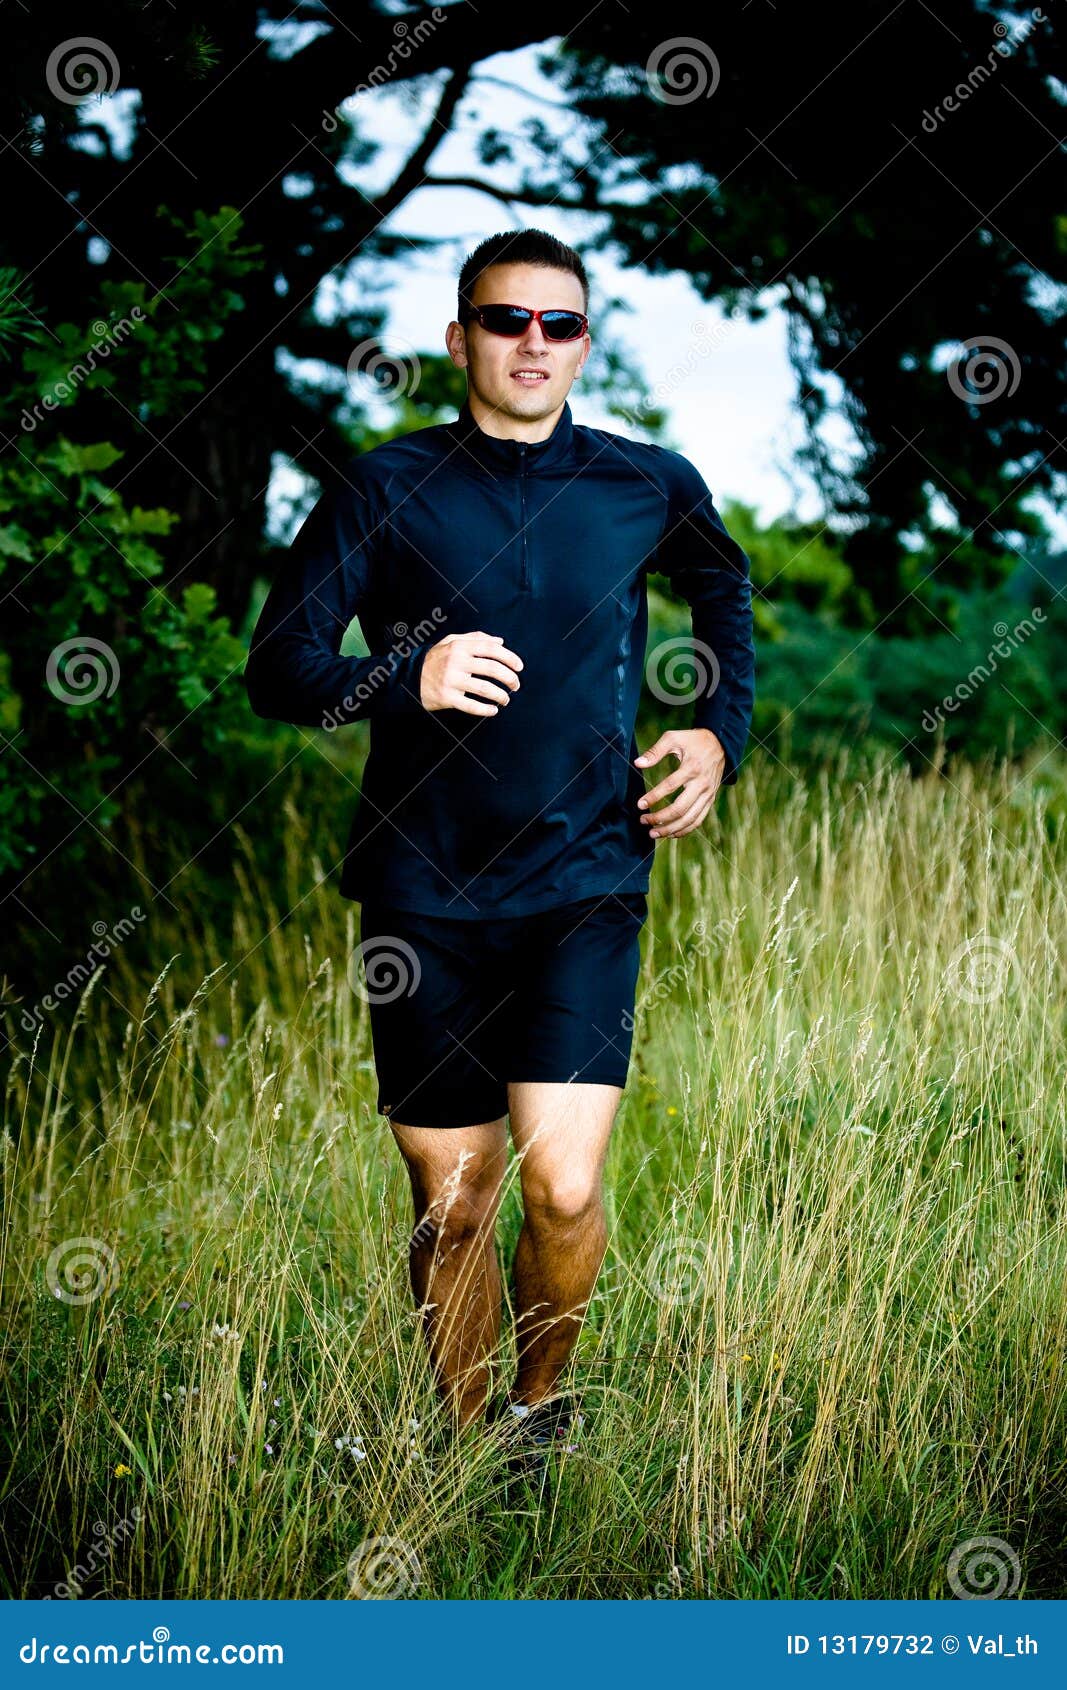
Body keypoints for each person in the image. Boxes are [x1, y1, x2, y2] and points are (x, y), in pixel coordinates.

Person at [244, 228, 756, 1501]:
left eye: (559, 324)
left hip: (588, 880)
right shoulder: (384, 486)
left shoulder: (646, 482)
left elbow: (724, 596)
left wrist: (715, 733)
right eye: (506, 319)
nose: (533, 344)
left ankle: (538, 1411)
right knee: (457, 1199)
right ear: (459, 332)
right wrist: (399, 674)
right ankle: (468, 1449)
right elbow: (279, 666)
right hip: (420, 894)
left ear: (585, 340)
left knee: (566, 1184)